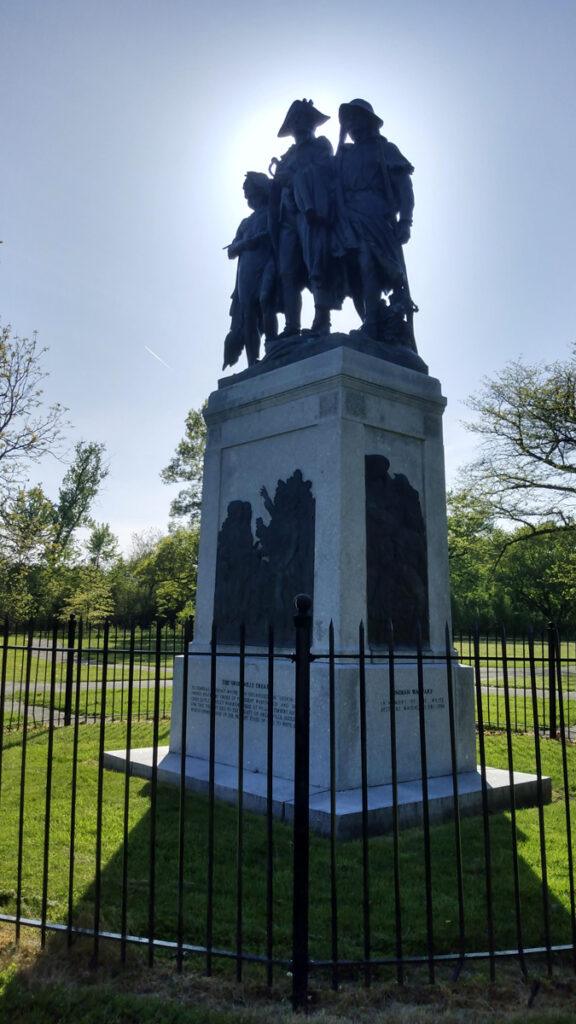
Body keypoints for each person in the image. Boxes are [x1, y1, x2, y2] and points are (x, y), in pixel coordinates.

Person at [336, 98, 417, 348]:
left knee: (368, 262)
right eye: (349, 121)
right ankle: (370, 321)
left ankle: (373, 326)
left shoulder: (385, 149)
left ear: (368, 122)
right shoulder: (343, 155)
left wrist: (405, 220)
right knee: (353, 275)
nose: (352, 126)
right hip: (347, 218)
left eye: (356, 118)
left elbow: (404, 187)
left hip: (375, 214)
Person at [269, 99, 339, 337]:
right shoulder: (287, 155)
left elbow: (326, 171)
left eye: (303, 118)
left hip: (311, 213)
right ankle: (291, 326)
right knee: (287, 271)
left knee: (315, 262)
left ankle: (322, 318)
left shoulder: (320, 145)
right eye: (296, 120)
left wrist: (296, 177)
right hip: (287, 216)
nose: (300, 124)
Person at [222, 172, 278, 369]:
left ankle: (273, 347)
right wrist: (247, 242)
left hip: (269, 262)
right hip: (246, 271)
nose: (248, 199)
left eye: (251, 194)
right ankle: (252, 362)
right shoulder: (245, 223)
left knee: (266, 300)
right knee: (249, 314)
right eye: (247, 196)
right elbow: (231, 251)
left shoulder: (274, 212)